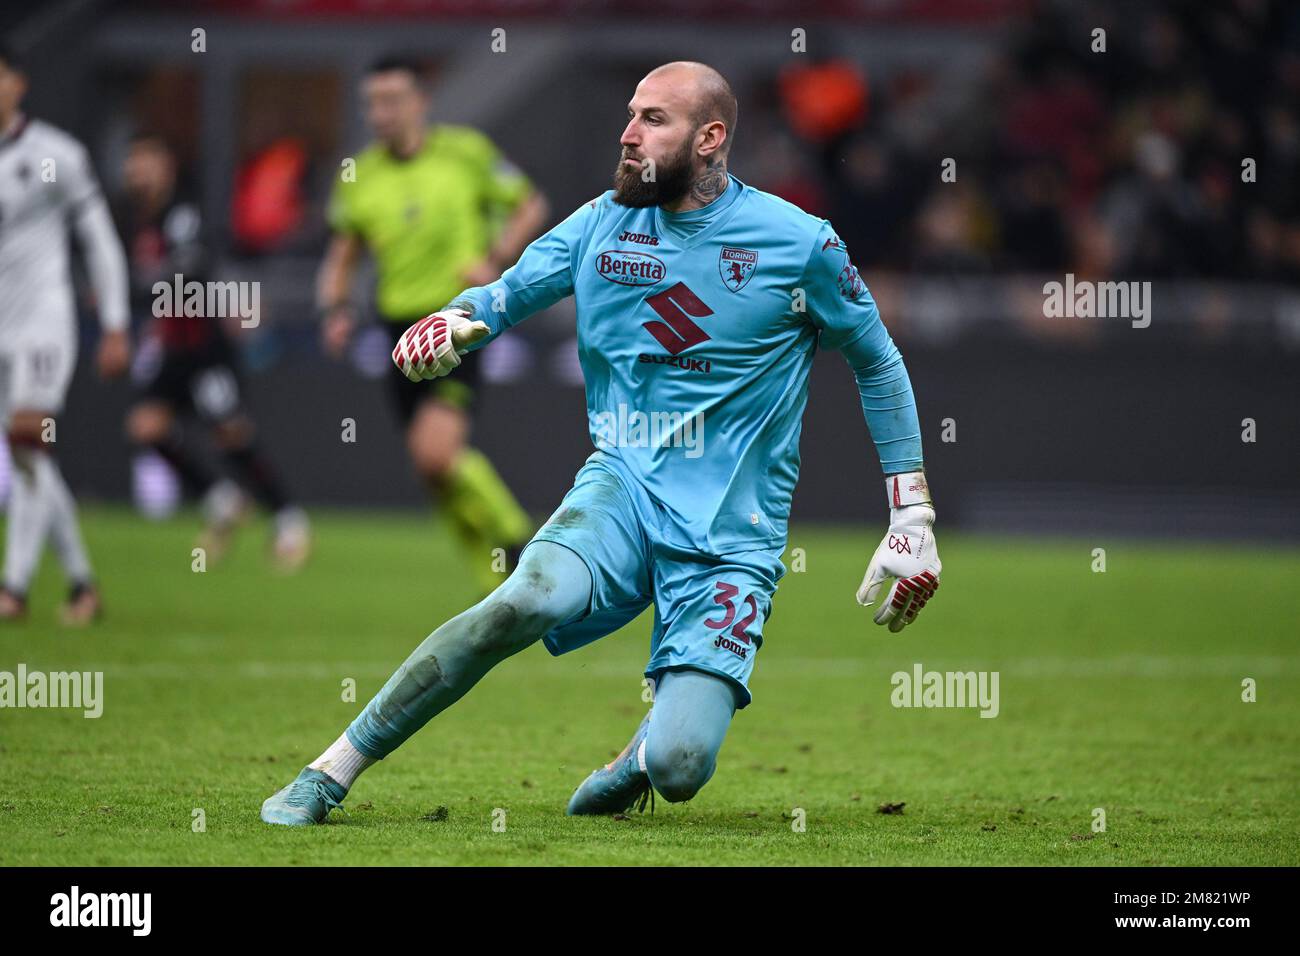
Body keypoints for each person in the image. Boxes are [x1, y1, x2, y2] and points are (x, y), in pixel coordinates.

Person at [262, 61, 941, 825]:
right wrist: (455, 321)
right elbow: (502, 294)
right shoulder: (601, 224)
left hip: (732, 539)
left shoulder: (799, 244)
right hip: (623, 490)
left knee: (683, 768)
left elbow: (876, 359)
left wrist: (910, 515)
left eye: (654, 119)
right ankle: (331, 770)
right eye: (631, 114)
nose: (628, 133)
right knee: (520, 602)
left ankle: (640, 757)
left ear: (711, 137)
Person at [318, 56, 548, 592]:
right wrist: (334, 310)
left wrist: (496, 259)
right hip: (396, 329)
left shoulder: (465, 153)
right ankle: (490, 575)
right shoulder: (361, 175)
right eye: (372, 103)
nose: (381, 114)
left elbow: (530, 204)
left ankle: (521, 544)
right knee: (431, 469)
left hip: (455, 321)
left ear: (420, 102)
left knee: (436, 452)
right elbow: (343, 256)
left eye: (393, 100)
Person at [118, 132, 310, 569]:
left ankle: (288, 519)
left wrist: (134, 287)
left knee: (231, 433)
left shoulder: (182, 214)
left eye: (144, 159)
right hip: (172, 349)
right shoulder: (139, 220)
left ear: (165, 165)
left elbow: (188, 269)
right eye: (132, 161)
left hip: (204, 347)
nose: (135, 170)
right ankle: (222, 499)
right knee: (146, 428)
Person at [0, 42, 131, 624]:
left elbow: (100, 241)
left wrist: (116, 325)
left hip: (44, 322)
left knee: (28, 440)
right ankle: (82, 583)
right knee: (30, 457)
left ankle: (13, 588)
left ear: (19, 81)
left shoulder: (57, 154)